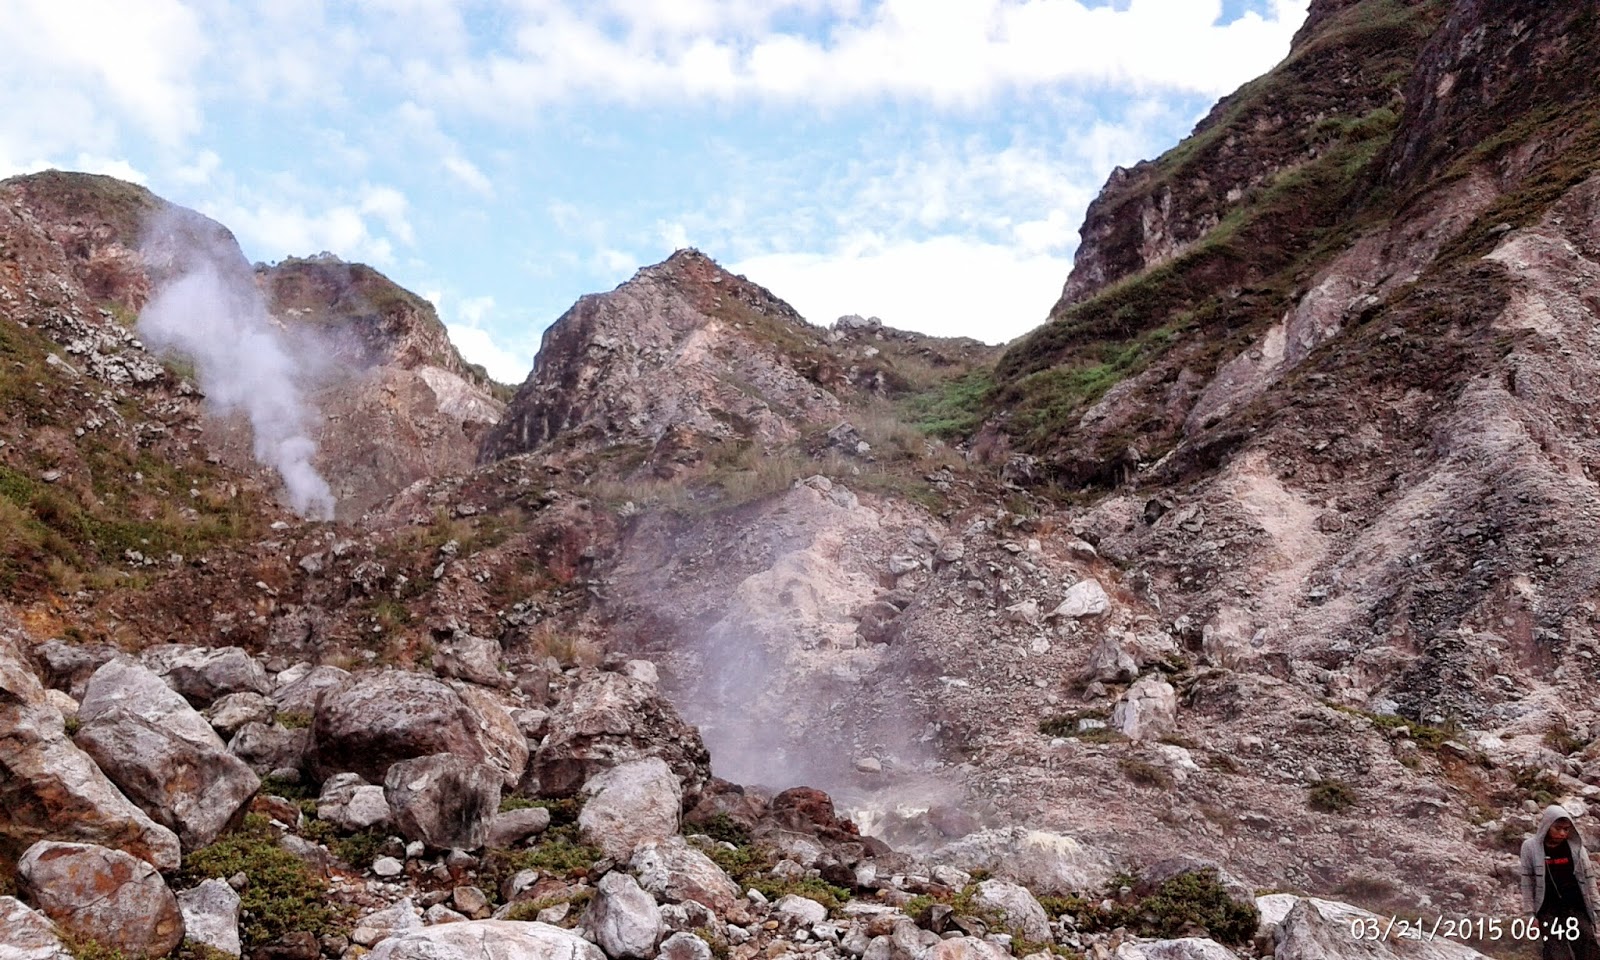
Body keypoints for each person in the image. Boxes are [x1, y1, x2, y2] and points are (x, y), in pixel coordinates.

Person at [1521, 804, 1600, 960]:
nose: (1562, 833)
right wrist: (1530, 915)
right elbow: (1527, 882)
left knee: (1588, 946)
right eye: (1558, 828)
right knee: (1556, 952)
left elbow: (1588, 877)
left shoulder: (1576, 848)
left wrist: (1597, 906)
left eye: (1566, 829)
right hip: (1547, 909)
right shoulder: (1530, 847)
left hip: (1575, 906)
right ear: (1547, 826)